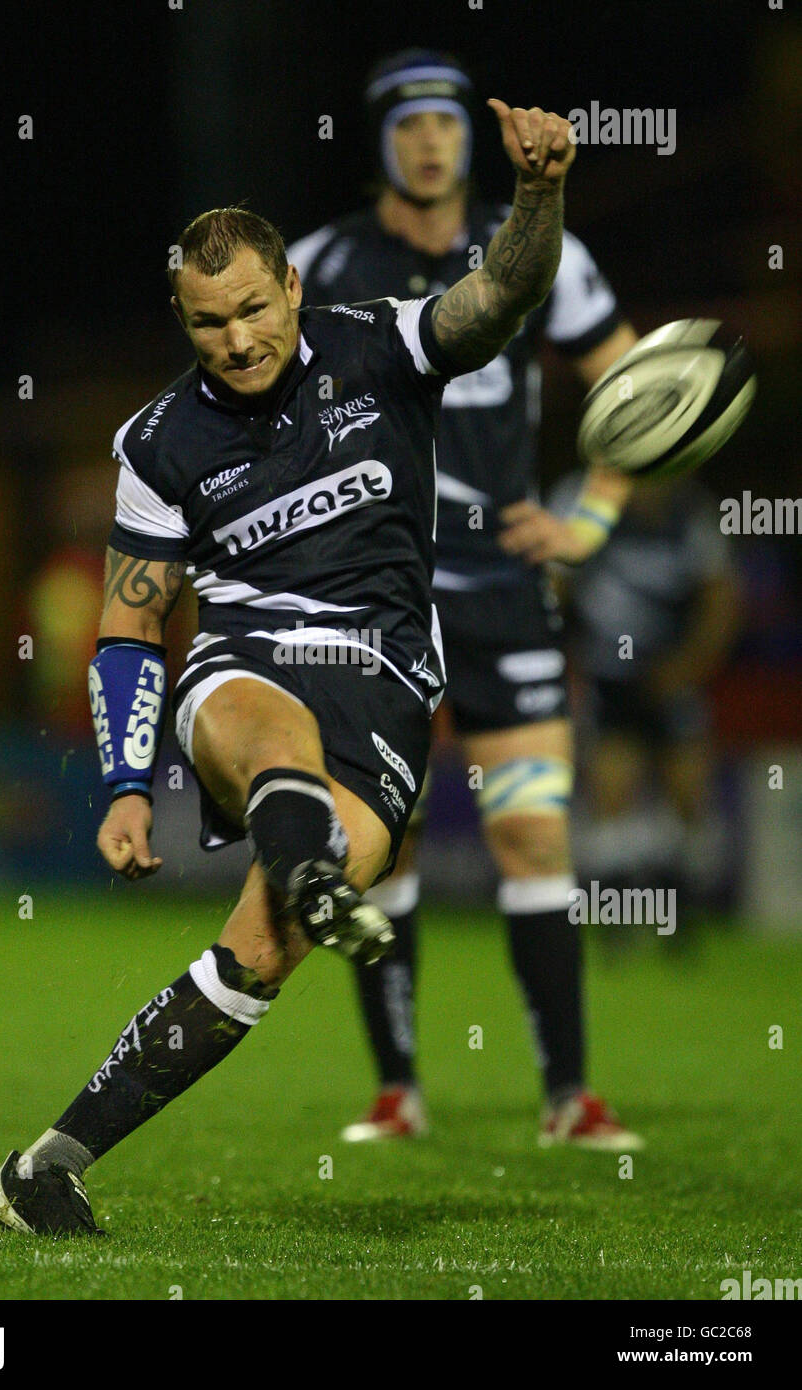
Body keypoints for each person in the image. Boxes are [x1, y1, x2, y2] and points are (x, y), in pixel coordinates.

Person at [0, 95, 576, 1235]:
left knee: (258, 953)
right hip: (248, 664)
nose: (238, 340)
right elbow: (128, 623)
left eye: (253, 309)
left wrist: (540, 191)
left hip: (393, 684)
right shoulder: (159, 445)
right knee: (273, 735)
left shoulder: (382, 345)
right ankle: (307, 853)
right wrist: (121, 784)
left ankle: (40, 1170)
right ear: (182, 319)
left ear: (292, 289)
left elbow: (502, 293)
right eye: (208, 324)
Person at [288, 50, 643, 1149]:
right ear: (382, 141)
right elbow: (270, 417)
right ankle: (397, 1091)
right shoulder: (319, 263)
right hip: (373, 603)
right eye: (410, 123)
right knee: (375, 847)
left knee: (533, 838)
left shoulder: (542, 249)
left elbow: (635, 382)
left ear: (467, 137)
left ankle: (566, 1098)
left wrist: (589, 515)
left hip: (499, 593)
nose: (432, 139)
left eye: (448, 120)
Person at [551, 475, 742, 930]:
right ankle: (617, 912)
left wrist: (689, 665)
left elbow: (722, 601)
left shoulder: (691, 514)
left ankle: (681, 911)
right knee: (612, 791)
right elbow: (553, 586)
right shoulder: (581, 502)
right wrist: (566, 656)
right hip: (607, 673)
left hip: (672, 673)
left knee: (688, 793)